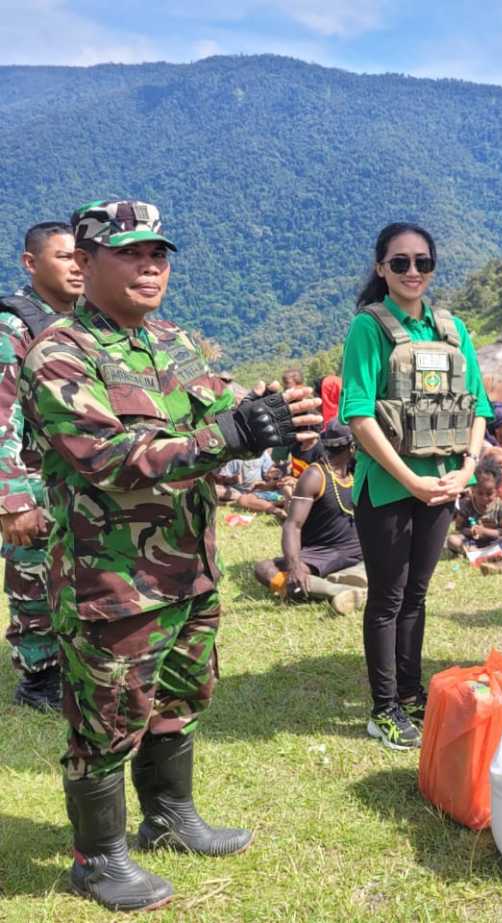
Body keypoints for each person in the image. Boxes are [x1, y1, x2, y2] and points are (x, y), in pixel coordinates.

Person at [21, 199, 322, 912]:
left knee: (181, 699)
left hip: (189, 566)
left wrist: (284, 420)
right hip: (111, 580)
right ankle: (99, 858)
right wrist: (229, 435)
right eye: (130, 252)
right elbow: (108, 458)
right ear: (86, 261)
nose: (150, 264)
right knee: (105, 719)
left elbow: (226, 403)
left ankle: (170, 816)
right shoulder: (59, 353)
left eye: (159, 252)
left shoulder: (173, 341)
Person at [340, 221, 492, 750]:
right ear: (381, 267)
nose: (412, 271)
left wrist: (467, 470)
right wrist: (410, 479)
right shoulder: (369, 328)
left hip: (444, 484)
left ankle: (410, 694)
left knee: (417, 595)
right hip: (388, 487)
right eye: (400, 262)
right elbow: (358, 414)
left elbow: (478, 407)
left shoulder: (452, 330)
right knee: (386, 597)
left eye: (422, 262)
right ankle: (383, 709)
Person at [0, 221, 83, 710]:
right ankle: (39, 680)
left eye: (80, 257)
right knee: (33, 579)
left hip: (77, 478)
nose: (76, 267)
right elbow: (1, 416)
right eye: (63, 257)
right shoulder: (14, 326)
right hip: (33, 480)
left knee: (75, 578)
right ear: (31, 264)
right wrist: (12, 500)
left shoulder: (83, 321)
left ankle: (74, 664)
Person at [253, 419, 367, 614]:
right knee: (265, 569)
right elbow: (292, 526)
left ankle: (331, 586)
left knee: (264, 569)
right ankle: (340, 590)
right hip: (322, 553)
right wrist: (295, 566)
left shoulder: (356, 470)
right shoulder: (315, 475)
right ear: (352, 446)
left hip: (358, 550)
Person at [446, 453, 502, 575]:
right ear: (472, 490)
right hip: (475, 543)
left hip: (496, 543)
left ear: (497, 491)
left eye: (489, 494)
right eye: (480, 493)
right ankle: (477, 554)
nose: (484, 498)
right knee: (452, 540)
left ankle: (490, 557)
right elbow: (459, 528)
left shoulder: (500, 507)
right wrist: (471, 531)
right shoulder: (466, 506)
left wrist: (484, 531)